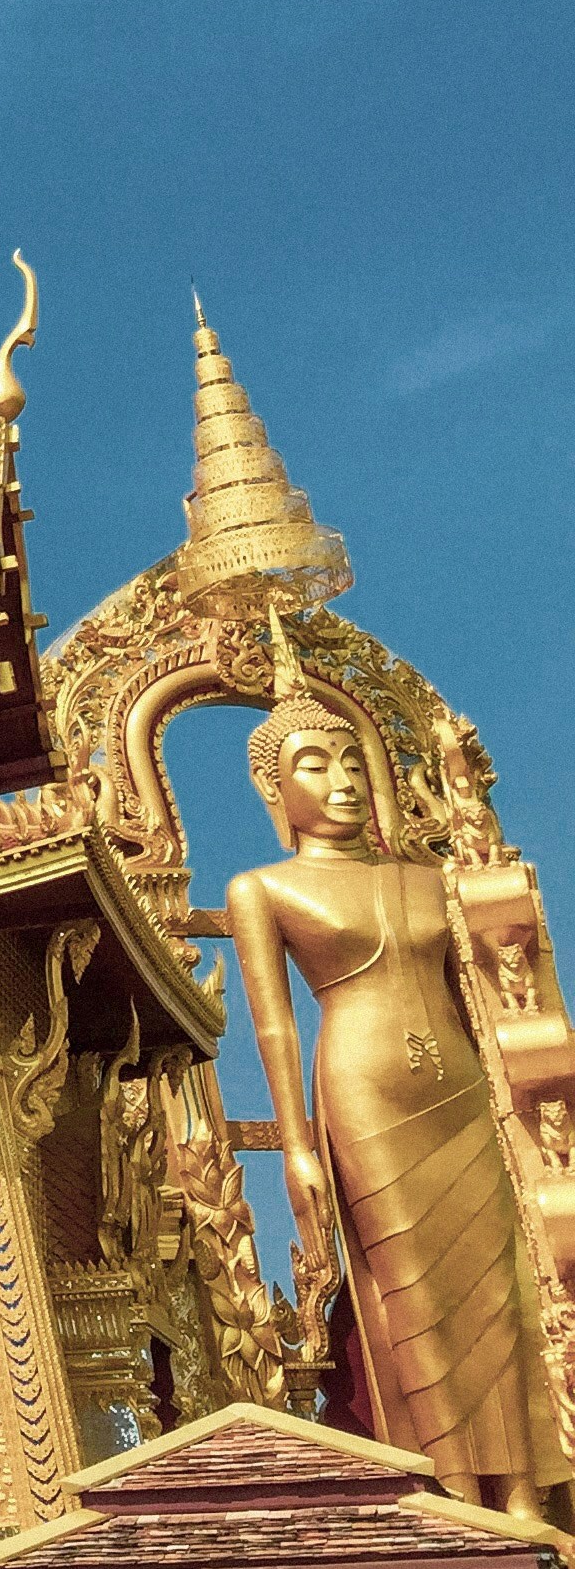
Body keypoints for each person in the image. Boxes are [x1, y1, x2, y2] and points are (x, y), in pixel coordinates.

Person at [228, 636, 551, 1515]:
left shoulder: (428, 877)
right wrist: (295, 1145)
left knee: (497, 1283)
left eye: (350, 761)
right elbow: (275, 1028)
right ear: (274, 789)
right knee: (413, 1292)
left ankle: (523, 1487)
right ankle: (451, 1487)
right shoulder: (265, 887)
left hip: (462, 1092)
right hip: (364, 1091)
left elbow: (490, 990)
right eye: (312, 763)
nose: (340, 780)